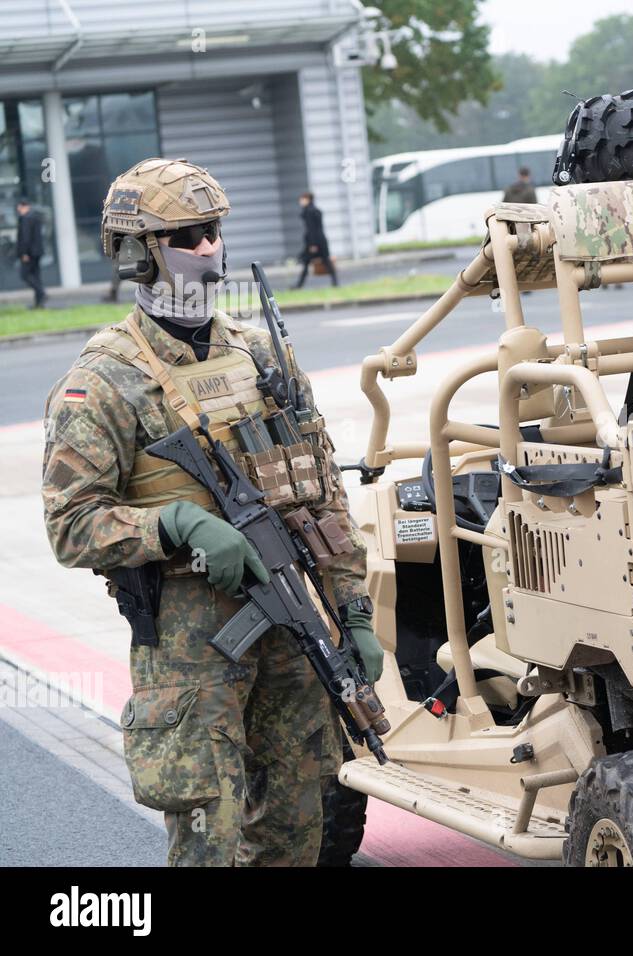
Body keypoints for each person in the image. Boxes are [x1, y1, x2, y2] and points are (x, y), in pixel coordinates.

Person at [41, 158, 383, 866]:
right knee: (207, 835)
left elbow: (322, 493)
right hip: (190, 646)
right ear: (138, 253)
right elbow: (71, 523)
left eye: (214, 232)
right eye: (187, 236)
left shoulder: (259, 355)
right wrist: (174, 525)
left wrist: (352, 610)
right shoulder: (104, 378)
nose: (209, 249)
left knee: (297, 821)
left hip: (292, 622)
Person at [294, 191, 338, 287]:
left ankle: (299, 285)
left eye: (302, 199)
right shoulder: (313, 210)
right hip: (320, 241)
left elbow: (312, 229)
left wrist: (313, 245)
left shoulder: (309, 212)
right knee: (325, 262)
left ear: (307, 199)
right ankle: (335, 282)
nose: (300, 201)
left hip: (315, 242)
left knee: (312, 262)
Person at [15, 198, 47, 309]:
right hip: (37, 252)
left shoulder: (26, 218)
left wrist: (24, 253)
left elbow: (25, 237)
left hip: (28, 253)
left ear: (22, 206)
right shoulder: (36, 217)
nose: (18, 209)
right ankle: (39, 303)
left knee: (25, 275)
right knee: (36, 276)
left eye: (19, 207)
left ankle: (41, 292)